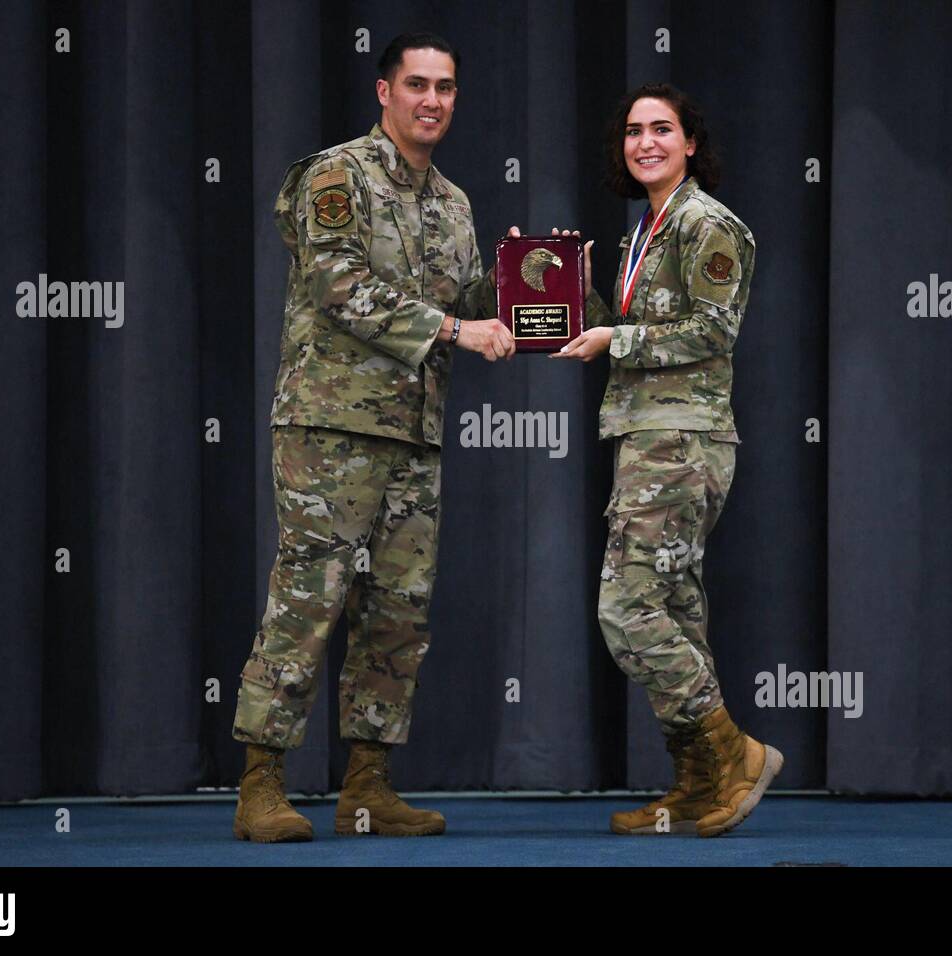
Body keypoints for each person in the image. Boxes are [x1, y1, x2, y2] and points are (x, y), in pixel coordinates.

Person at [231, 32, 514, 842]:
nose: (433, 100)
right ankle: (261, 785)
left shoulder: (454, 203)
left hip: (415, 436)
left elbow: (472, 295)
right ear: (383, 92)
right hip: (330, 426)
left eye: (447, 87)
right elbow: (339, 286)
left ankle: (367, 787)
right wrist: (459, 329)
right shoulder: (336, 175)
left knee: (398, 614)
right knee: (307, 600)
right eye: (417, 84)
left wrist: (546, 286)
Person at [551, 83, 783, 837]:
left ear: (690, 143)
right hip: (648, 434)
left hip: (683, 440)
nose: (644, 141)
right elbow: (637, 333)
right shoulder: (642, 232)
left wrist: (614, 339)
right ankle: (696, 786)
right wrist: (575, 294)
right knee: (676, 612)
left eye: (662, 129)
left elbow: (712, 332)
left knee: (627, 607)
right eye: (632, 131)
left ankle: (735, 753)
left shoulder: (709, 224)